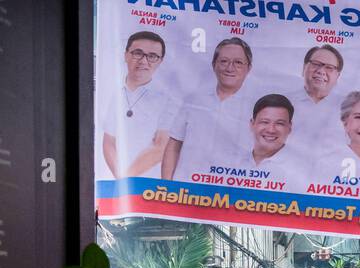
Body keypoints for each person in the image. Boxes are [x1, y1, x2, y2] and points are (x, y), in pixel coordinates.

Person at [163, 37, 255, 182]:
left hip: (230, 195)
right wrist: (166, 186)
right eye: (224, 61)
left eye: (238, 62)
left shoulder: (256, 108)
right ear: (214, 65)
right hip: (184, 190)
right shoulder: (193, 100)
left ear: (248, 68)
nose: (230, 68)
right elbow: (174, 145)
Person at [100, 31, 176, 181]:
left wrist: (125, 180)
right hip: (112, 180)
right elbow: (109, 142)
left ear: (160, 61)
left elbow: (160, 147)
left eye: (152, 56)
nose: (143, 61)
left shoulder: (168, 100)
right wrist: (119, 180)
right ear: (126, 55)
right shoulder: (109, 90)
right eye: (137, 53)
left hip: (147, 186)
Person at [288, 45, 346, 144]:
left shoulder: (349, 108)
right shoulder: (283, 102)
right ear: (304, 68)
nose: (321, 71)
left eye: (329, 68)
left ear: (337, 76)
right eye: (315, 64)